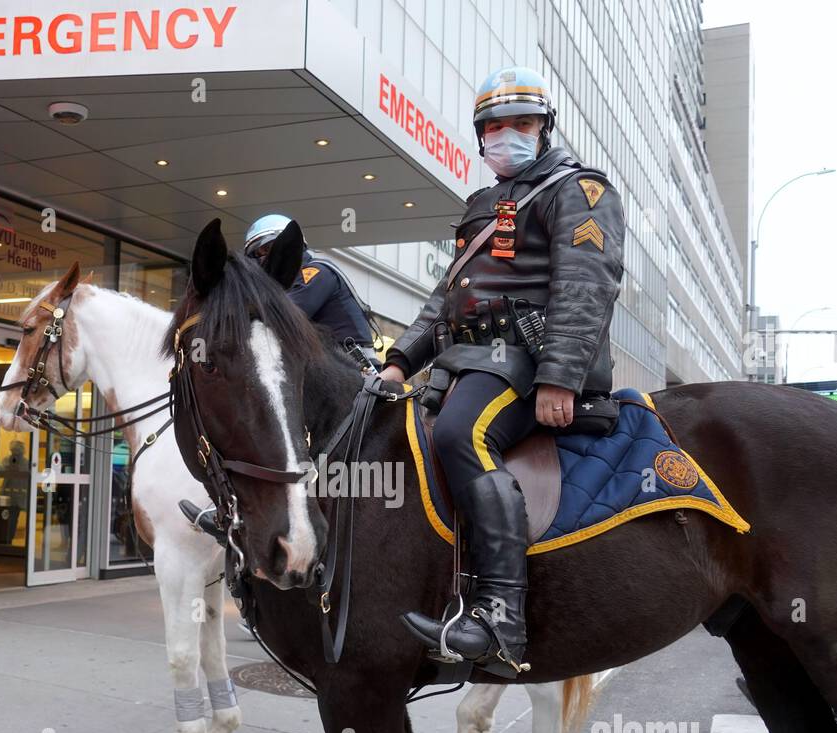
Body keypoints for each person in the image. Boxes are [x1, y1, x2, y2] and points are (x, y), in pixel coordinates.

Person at [379, 65, 625, 676]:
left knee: (460, 435)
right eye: (494, 127)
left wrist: (559, 377)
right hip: (466, 358)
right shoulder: (483, 203)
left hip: (522, 359)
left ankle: (500, 618)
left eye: (522, 124)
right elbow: (447, 297)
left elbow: (586, 285)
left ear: (544, 130)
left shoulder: (579, 188)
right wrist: (399, 360)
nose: (506, 135)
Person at [243, 214, 374, 347]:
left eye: (265, 249)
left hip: (353, 363)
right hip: (322, 361)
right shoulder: (284, 283)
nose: (261, 258)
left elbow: (282, 317)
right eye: (255, 254)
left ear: (289, 246)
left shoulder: (318, 272)